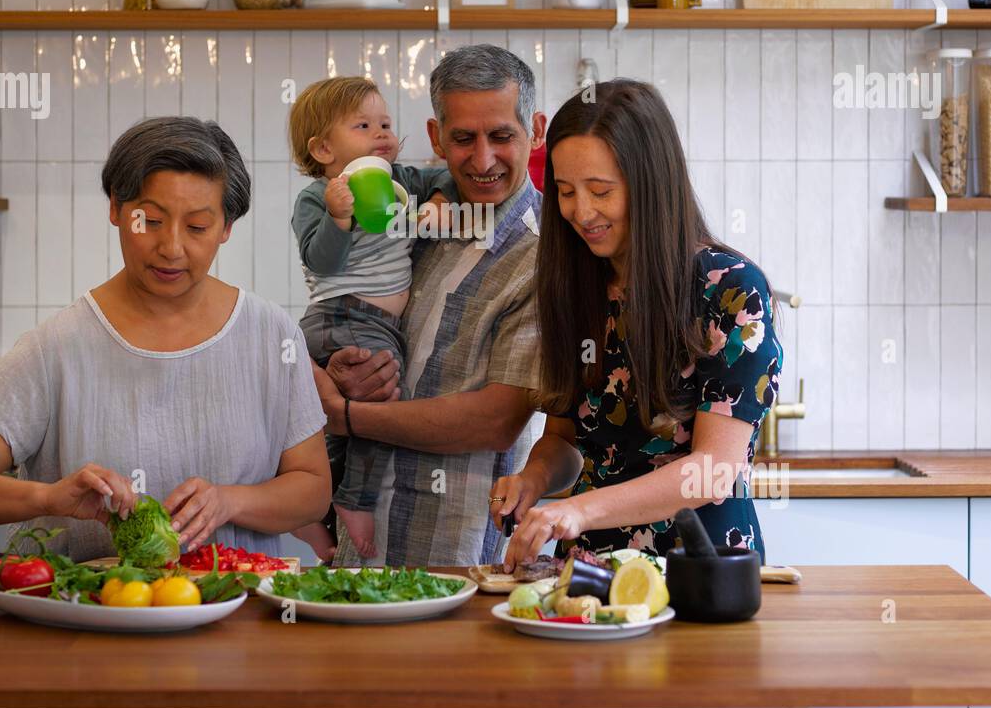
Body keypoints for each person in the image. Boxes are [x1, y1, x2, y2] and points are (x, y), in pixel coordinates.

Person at [0, 117, 330, 562]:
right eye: (148, 220)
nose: (171, 247)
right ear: (115, 208)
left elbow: (312, 488)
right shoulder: (57, 347)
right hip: (86, 619)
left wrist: (232, 501)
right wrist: (47, 499)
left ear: (226, 227)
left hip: (238, 619)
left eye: (197, 227)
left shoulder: (270, 335)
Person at [490, 80, 783, 565]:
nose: (581, 213)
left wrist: (579, 511)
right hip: (586, 571)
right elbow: (565, 440)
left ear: (651, 182)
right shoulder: (573, 285)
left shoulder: (729, 289)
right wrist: (533, 480)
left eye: (601, 191)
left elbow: (713, 469)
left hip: (700, 570)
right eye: (565, 192)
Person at [312, 44, 547, 567]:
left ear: (536, 128)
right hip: (363, 544)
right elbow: (350, 302)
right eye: (463, 138)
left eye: (502, 136)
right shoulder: (412, 216)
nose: (483, 160)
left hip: (461, 554)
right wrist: (340, 366)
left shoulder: (546, 255)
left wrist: (348, 416)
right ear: (437, 138)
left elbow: (496, 420)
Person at [287, 76, 455, 562]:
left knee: (340, 421)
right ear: (322, 149)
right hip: (340, 315)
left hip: (371, 324)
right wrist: (339, 219)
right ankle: (354, 502)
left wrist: (441, 201)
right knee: (381, 407)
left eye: (384, 122)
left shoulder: (401, 179)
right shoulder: (319, 196)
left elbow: (444, 177)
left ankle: (313, 514)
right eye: (363, 125)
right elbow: (320, 262)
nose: (382, 133)